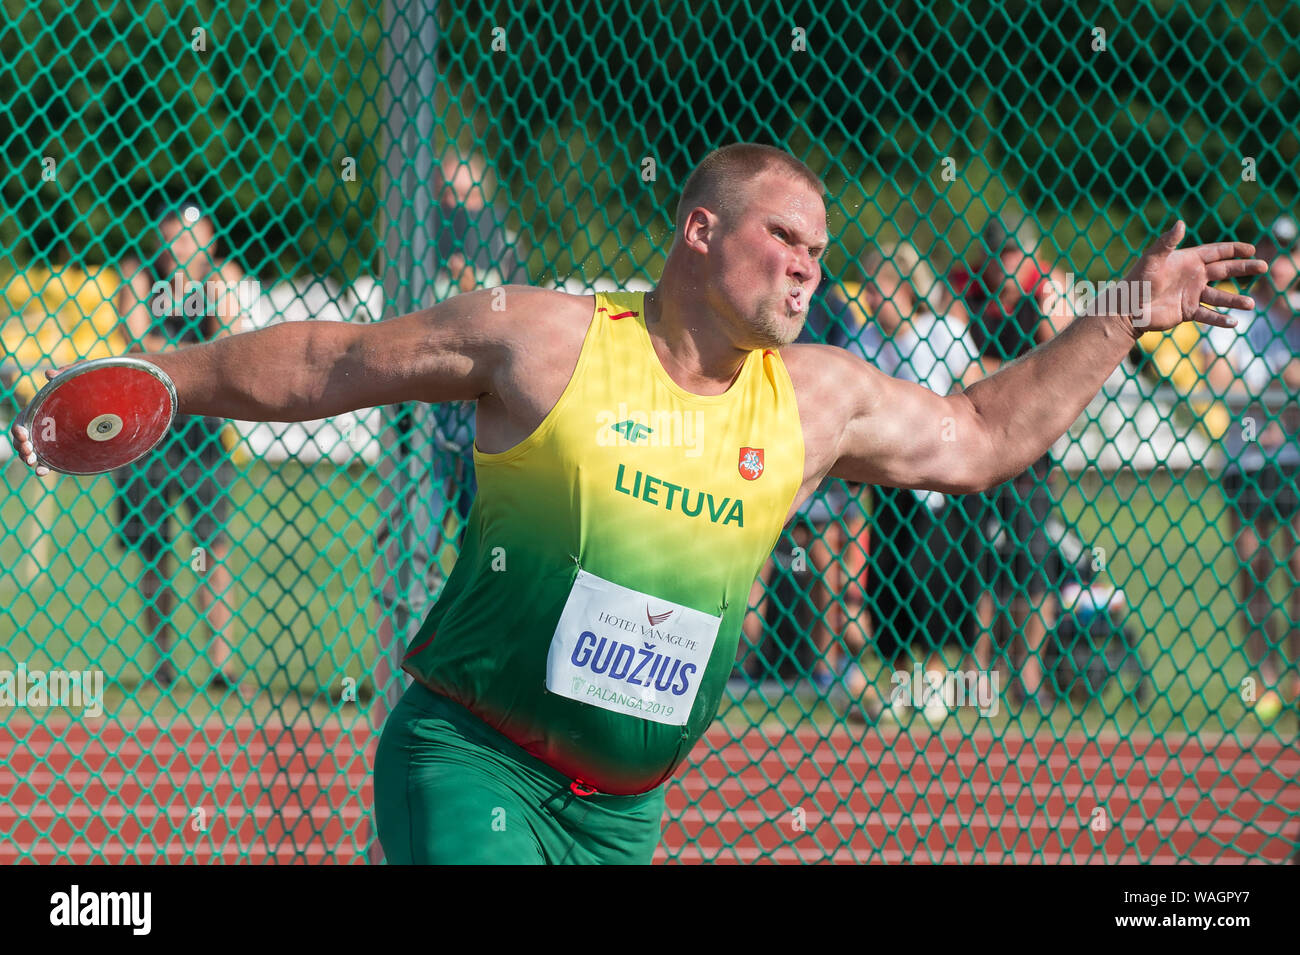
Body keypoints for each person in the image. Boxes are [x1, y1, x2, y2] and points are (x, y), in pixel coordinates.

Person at [12, 143, 1265, 864]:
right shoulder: (549, 343)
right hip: (471, 759)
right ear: (699, 229)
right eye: (783, 237)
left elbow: (985, 433)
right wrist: (158, 381)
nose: (806, 267)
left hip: (624, 814)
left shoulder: (814, 400)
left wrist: (1121, 316)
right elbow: (328, 366)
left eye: (820, 250)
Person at [112, 200, 246, 691]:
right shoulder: (139, 274)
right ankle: (162, 664)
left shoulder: (221, 277)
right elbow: (137, 341)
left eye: (190, 238)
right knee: (153, 549)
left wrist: (178, 359)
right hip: (147, 431)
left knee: (212, 548)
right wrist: (196, 362)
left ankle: (222, 665)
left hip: (202, 434)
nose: (180, 247)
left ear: (208, 239)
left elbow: (229, 341)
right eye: (172, 237)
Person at [949, 217, 1073, 710]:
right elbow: (958, 364)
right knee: (977, 558)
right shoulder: (969, 292)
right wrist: (1020, 374)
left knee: (1033, 557)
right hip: (977, 441)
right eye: (1002, 256)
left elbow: (1061, 358)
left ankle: (1028, 671)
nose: (1008, 267)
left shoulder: (1045, 291)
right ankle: (979, 671)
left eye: (1018, 256)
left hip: (1032, 448)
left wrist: (1047, 304)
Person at [857, 243, 978, 705]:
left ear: (904, 288)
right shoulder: (865, 343)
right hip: (888, 481)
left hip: (938, 479)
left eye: (877, 287)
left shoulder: (942, 332)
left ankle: (935, 679)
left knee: (931, 575)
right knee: (887, 577)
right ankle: (899, 680)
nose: (869, 297)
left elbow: (969, 390)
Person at [1200, 220, 1300, 720]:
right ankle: (1265, 678)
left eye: (1290, 254)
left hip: (1295, 461)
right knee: (1253, 568)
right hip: (1247, 459)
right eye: (1275, 253)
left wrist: (1261, 389)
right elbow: (1220, 385)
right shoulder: (1235, 310)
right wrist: (1276, 393)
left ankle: (1297, 679)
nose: (1281, 264)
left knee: (1299, 568)